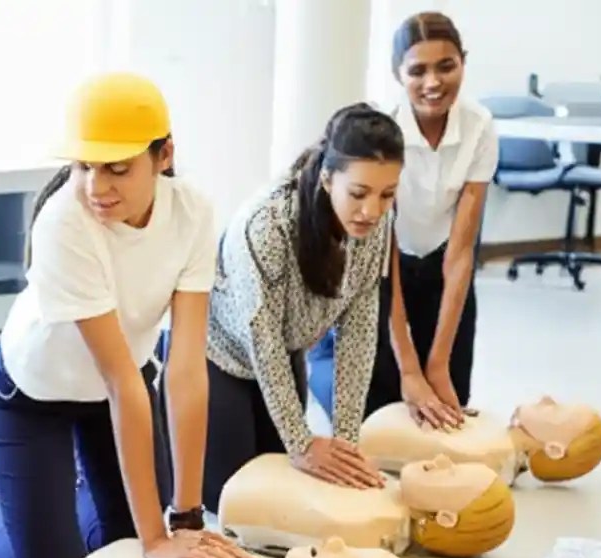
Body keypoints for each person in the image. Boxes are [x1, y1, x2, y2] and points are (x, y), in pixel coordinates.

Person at [0, 72, 260, 558]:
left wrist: (184, 518)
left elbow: (185, 370)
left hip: (117, 388)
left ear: (163, 155)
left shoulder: (192, 213)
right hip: (33, 398)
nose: (96, 186)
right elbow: (118, 380)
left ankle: (62, 487)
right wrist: (159, 539)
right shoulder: (63, 224)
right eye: (84, 166)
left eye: (117, 168)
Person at [199, 103, 405, 512]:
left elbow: (359, 334)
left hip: (287, 350)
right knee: (227, 496)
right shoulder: (267, 224)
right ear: (328, 179)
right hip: (219, 356)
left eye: (388, 194)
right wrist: (301, 442)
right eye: (359, 193)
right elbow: (265, 342)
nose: (373, 211)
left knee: (283, 486)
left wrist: (346, 442)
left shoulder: (375, 221)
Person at [310, 12, 496, 431]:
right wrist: (411, 369)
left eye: (446, 66)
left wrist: (438, 364)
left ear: (463, 62)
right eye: (418, 71)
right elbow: (382, 255)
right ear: (399, 74)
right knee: (381, 406)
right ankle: (323, 356)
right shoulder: (385, 128)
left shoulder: (480, 126)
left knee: (447, 403)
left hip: (442, 265)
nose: (433, 82)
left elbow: (461, 252)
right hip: (382, 268)